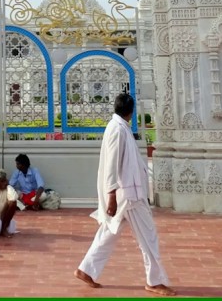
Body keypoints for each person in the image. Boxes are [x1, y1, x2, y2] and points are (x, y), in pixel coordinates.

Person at [75, 92, 175, 296]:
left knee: (109, 232)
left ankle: (86, 269)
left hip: (128, 192)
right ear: (131, 111)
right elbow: (112, 164)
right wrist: (111, 193)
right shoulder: (117, 130)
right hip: (129, 195)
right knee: (148, 237)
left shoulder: (120, 127)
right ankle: (155, 281)